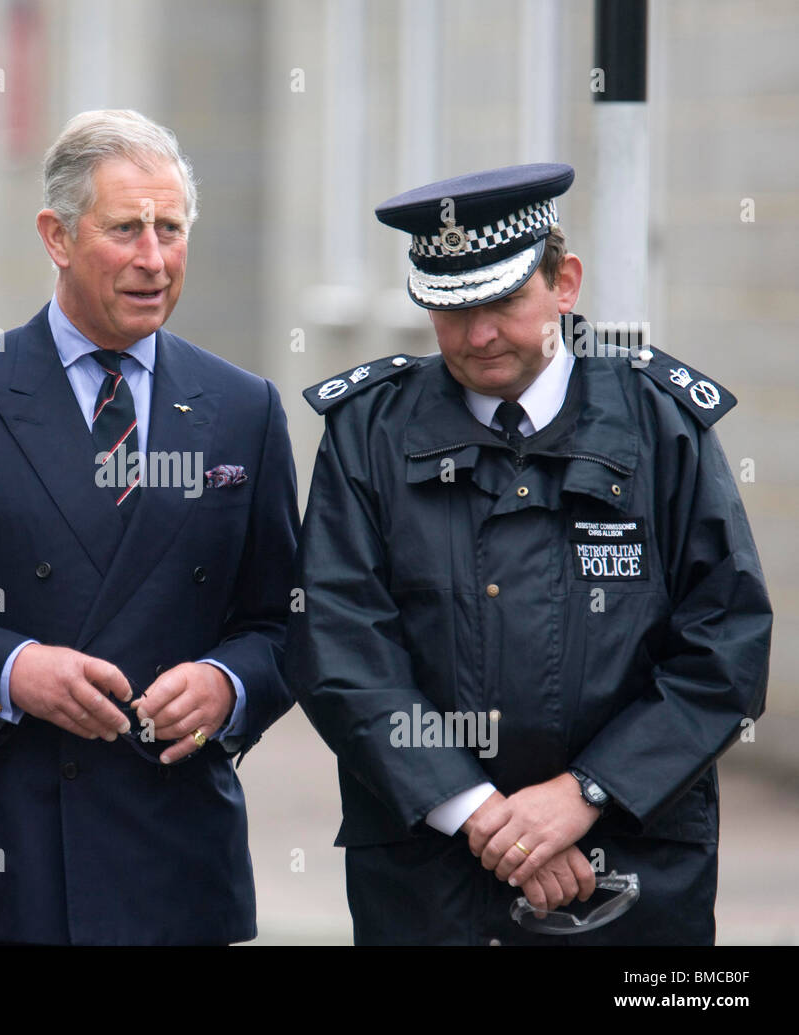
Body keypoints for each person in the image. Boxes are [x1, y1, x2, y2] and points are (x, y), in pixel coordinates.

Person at [0, 109, 299, 945]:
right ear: (56, 235)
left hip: (172, 859)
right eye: (125, 230)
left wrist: (230, 687)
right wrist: (14, 671)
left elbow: (289, 621)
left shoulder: (244, 408)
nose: (153, 259)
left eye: (171, 229)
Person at [286, 163, 771, 945]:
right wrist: (476, 811)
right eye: (451, 308)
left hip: (629, 872)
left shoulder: (660, 426)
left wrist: (587, 793)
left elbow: (728, 642)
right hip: (430, 881)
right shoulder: (368, 434)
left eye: (504, 301)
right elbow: (339, 646)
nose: (478, 335)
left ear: (565, 282)